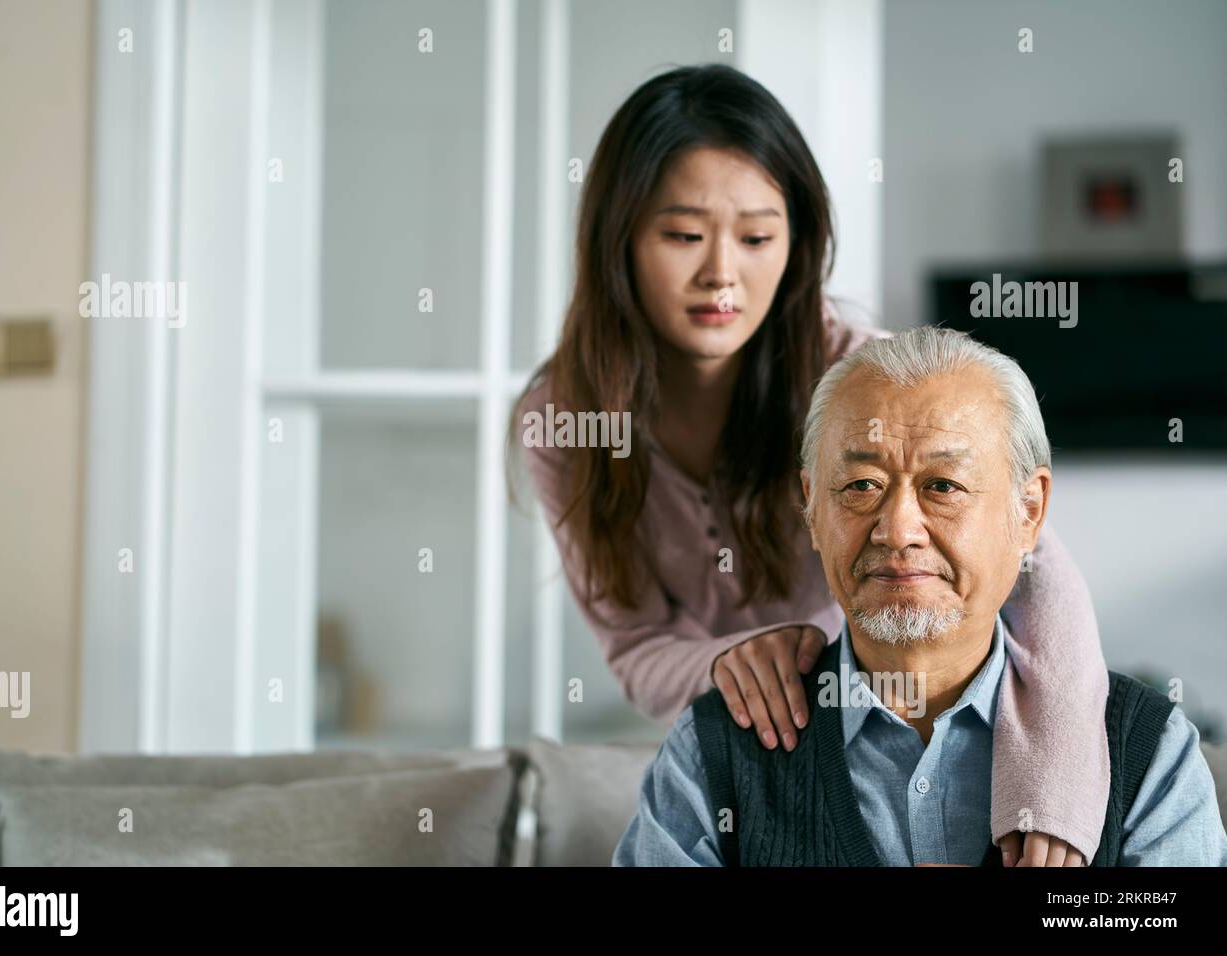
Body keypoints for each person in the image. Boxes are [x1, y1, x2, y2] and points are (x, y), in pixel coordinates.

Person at [512, 63, 1106, 864]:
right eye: (684, 235)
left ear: (797, 245)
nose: (722, 273)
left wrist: (1051, 783)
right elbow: (636, 645)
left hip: (908, 707)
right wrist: (730, 662)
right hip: (749, 735)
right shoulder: (564, 421)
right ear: (617, 239)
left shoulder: (860, 381)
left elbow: (1037, 571)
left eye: (757, 237)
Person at [612, 326, 1227, 866]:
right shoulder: (715, 750)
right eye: (859, 485)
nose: (898, 529)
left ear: (1029, 511)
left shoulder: (1147, 751)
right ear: (811, 509)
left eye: (943, 485)